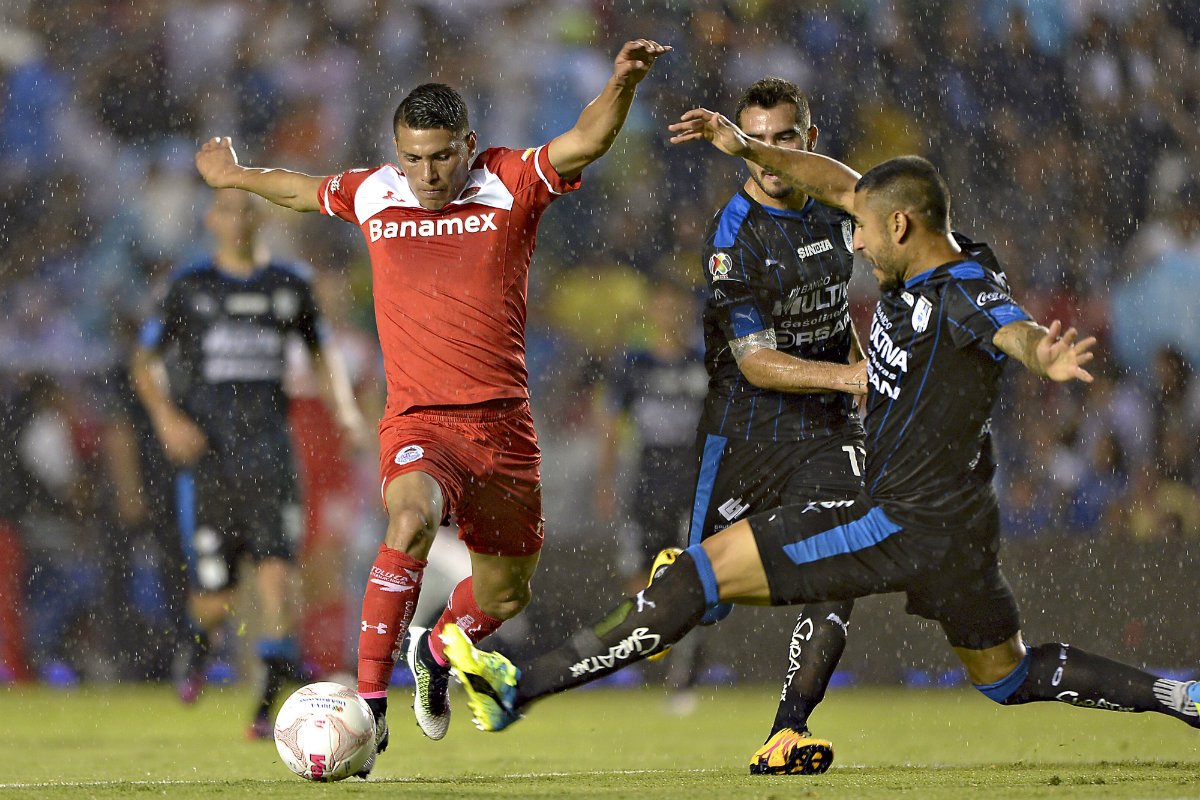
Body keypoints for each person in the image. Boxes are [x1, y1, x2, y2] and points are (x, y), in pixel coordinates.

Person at [438, 138, 1200, 751]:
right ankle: (1181, 696)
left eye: (864, 230)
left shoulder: (961, 290)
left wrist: (1045, 353)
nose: (857, 244)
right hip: (958, 528)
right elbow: (839, 183)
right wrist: (745, 147)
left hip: (898, 518)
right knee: (1006, 676)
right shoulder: (937, 247)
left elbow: (1012, 329)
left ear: (901, 226)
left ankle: (518, 688)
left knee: (698, 573)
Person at [194, 38, 670, 775]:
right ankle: (373, 706)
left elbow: (586, 140)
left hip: (504, 427)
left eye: (441, 156)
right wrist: (236, 176)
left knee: (506, 592)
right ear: (396, 152)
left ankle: (439, 646)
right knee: (409, 520)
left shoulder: (510, 180)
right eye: (412, 157)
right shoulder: (375, 191)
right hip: (420, 422)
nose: (425, 174)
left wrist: (623, 83)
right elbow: (300, 188)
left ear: (468, 146)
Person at [647, 77, 868, 773]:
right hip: (747, 432)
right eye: (755, 144)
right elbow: (758, 364)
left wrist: (858, 372)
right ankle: (672, 587)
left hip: (827, 429)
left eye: (783, 140)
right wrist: (856, 377)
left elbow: (834, 313)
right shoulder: (733, 236)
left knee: (845, 562)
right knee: (699, 604)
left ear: (809, 138)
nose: (769, 158)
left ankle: (786, 730)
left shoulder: (837, 210)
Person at [132, 188, 365, 738]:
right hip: (210, 460)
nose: (238, 220)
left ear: (259, 218)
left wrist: (348, 413)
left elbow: (322, 352)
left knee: (278, 578)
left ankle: (268, 706)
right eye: (228, 210)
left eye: (246, 209)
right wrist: (168, 420)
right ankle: (196, 641)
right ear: (211, 219)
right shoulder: (189, 289)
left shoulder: (289, 286)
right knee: (215, 598)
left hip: (270, 453)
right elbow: (143, 361)